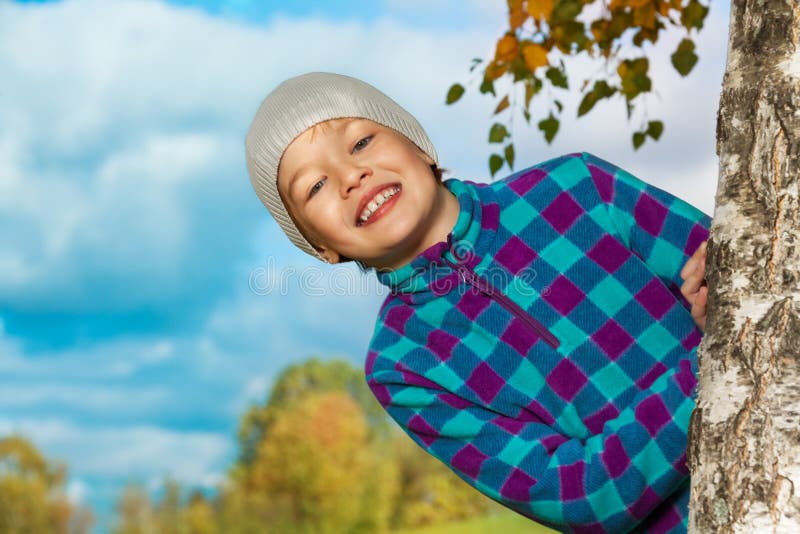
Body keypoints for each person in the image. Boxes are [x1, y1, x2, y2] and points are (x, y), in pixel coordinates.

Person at [245, 72, 711, 533]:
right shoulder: (400, 366)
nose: (350, 176)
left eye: (361, 142)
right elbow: (583, 499)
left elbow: (739, 284)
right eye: (315, 187)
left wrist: (727, 317)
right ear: (320, 246)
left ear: (420, 147)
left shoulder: (578, 185)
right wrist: (710, 369)